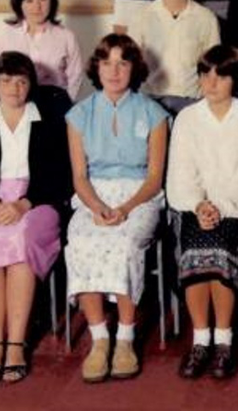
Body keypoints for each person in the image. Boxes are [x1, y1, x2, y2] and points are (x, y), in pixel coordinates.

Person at [0, 52, 72, 384]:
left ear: (31, 85)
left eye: (22, 81)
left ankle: (17, 345)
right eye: (6, 80)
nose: (14, 88)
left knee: (22, 238)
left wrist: (24, 203)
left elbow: (60, 176)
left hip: (36, 201)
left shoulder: (49, 122)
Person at [64, 34, 171, 383]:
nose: (114, 71)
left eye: (122, 63)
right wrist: (97, 207)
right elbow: (80, 176)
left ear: (134, 69)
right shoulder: (78, 115)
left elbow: (154, 178)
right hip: (93, 196)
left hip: (139, 196)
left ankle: (125, 338)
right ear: (96, 68)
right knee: (81, 241)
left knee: (124, 243)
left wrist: (125, 208)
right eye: (106, 63)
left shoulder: (153, 113)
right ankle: (99, 339)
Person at [168, 45, 238, 379]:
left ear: (234, 80)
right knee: (195, 249)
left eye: (221, 76)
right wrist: (199, 204)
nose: (211, 83)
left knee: (220, 249)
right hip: (195, 206)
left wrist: (221, 208)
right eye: (205, 75)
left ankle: (223, 340)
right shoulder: (187, 118)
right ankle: (200, 339)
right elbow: (181, 173)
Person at [129, 0, 220, 116]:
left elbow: (213, 68)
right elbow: (131, 66)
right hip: (152, 101)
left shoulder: (206, 18)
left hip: (191, 102)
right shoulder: (141, 17)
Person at [0, 0, 83, 117]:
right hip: (13, 108)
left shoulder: (66, 37)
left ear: (51, 0)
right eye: (29, 0)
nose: (37, 7)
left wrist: (63, 107)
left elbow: (76, 77)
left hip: (55, 108)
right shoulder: (3, 36)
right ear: (19, 3)